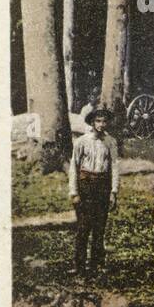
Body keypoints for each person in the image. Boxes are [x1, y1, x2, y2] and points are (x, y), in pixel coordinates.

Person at [68, 106, 119, 276]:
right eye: (98, 120)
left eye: (104, 121)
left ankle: (97, 263)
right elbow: (74, 167)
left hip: (102, 186)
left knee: (99, 227)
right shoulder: (82, 141)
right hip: (86, 187)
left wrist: (113, 191)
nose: (101, 124)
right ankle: (79, 264)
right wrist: (74, 192)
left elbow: (114, 166)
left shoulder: (110, 142)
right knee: (84, 226)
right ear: (92, 122)